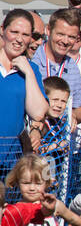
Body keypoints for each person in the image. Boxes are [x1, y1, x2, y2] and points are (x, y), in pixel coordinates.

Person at [0, 11, 50, 187]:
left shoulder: (32, 69)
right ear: (2, 31)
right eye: (14, 32)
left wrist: (28, 71)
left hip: (12, 161)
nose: (19, 39)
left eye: (25, 35)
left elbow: (38, 112)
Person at [29, 8, 81, 124]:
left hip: (58, 137)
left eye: (71, 37)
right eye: (60, 34)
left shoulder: (71, 66)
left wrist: (72, 115)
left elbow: (79, 108)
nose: (65, 41)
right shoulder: (32, 59)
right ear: (48, 30)